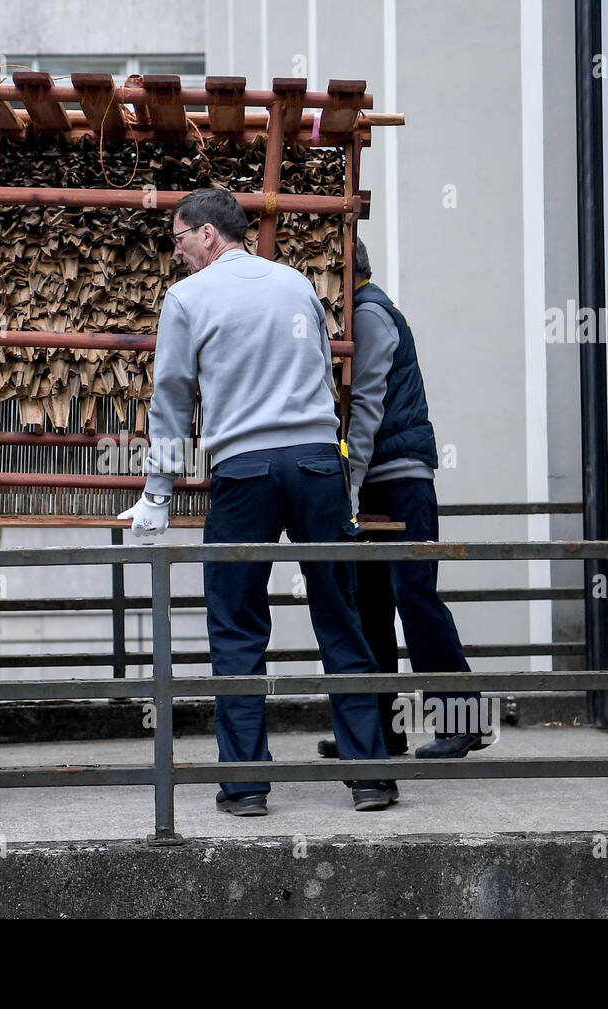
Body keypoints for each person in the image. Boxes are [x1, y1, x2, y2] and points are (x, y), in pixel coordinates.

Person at [119, 188, 396, 814]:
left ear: (209, 235)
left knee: (237, 623)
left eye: (180, 237)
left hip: (244, 470)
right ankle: (370, 776)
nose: (177, 251)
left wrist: (156, 494)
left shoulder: (188, 298)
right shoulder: (296, 283)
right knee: (340, 614)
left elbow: (171, 399)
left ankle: (244, 786)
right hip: (317, 462)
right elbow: (326, 372)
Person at [319, 239, 490, 760]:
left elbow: (367, 408)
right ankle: (381, 732)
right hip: (382, 478)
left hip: (399, 481)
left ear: (344, 276)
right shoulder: (369, 311)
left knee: (413, 595)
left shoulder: (370, 316)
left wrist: (347, 488)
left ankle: (464, 722)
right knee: (371, 602)